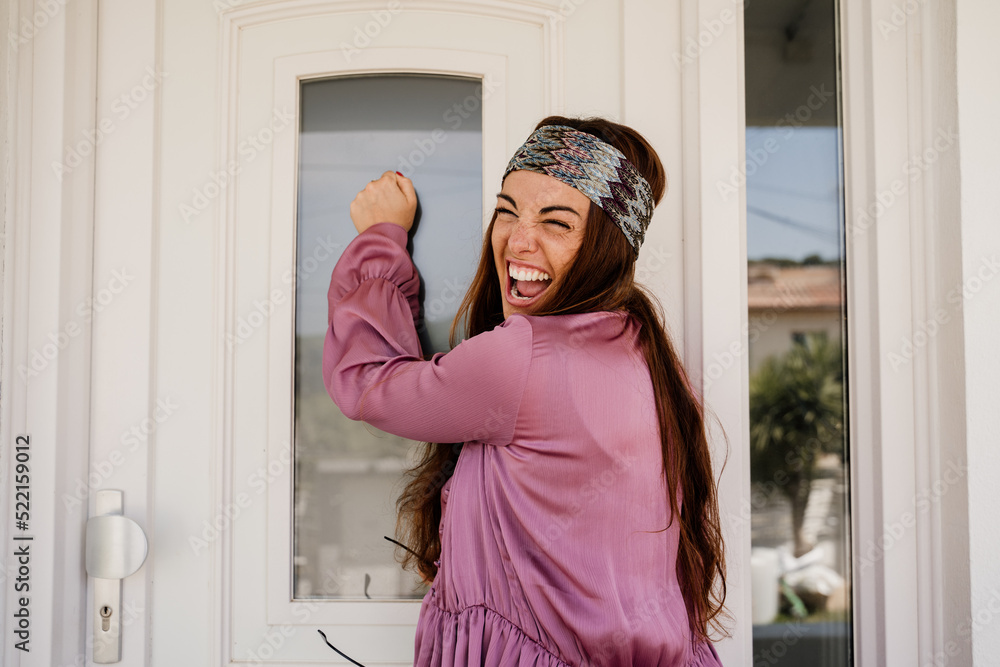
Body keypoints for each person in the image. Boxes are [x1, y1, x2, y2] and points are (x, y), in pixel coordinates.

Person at [323, 117, 728, 666]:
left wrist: (380, 238)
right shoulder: (647, 353)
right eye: (507, 209)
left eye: (556, 222)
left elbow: (369, 382)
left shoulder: (525, 355)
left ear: (605, 248)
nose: (518, 238)